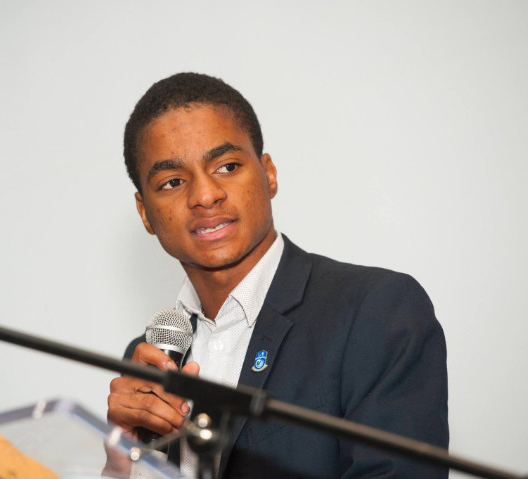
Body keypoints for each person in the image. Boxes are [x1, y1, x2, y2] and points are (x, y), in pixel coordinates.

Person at [107, 72, 449, 478]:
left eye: (227, 166)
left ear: (268, 174)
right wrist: (121, 466)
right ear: (145, 213)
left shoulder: (376, 311)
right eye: (173, 182)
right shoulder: (150, 357)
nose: (204, 195)